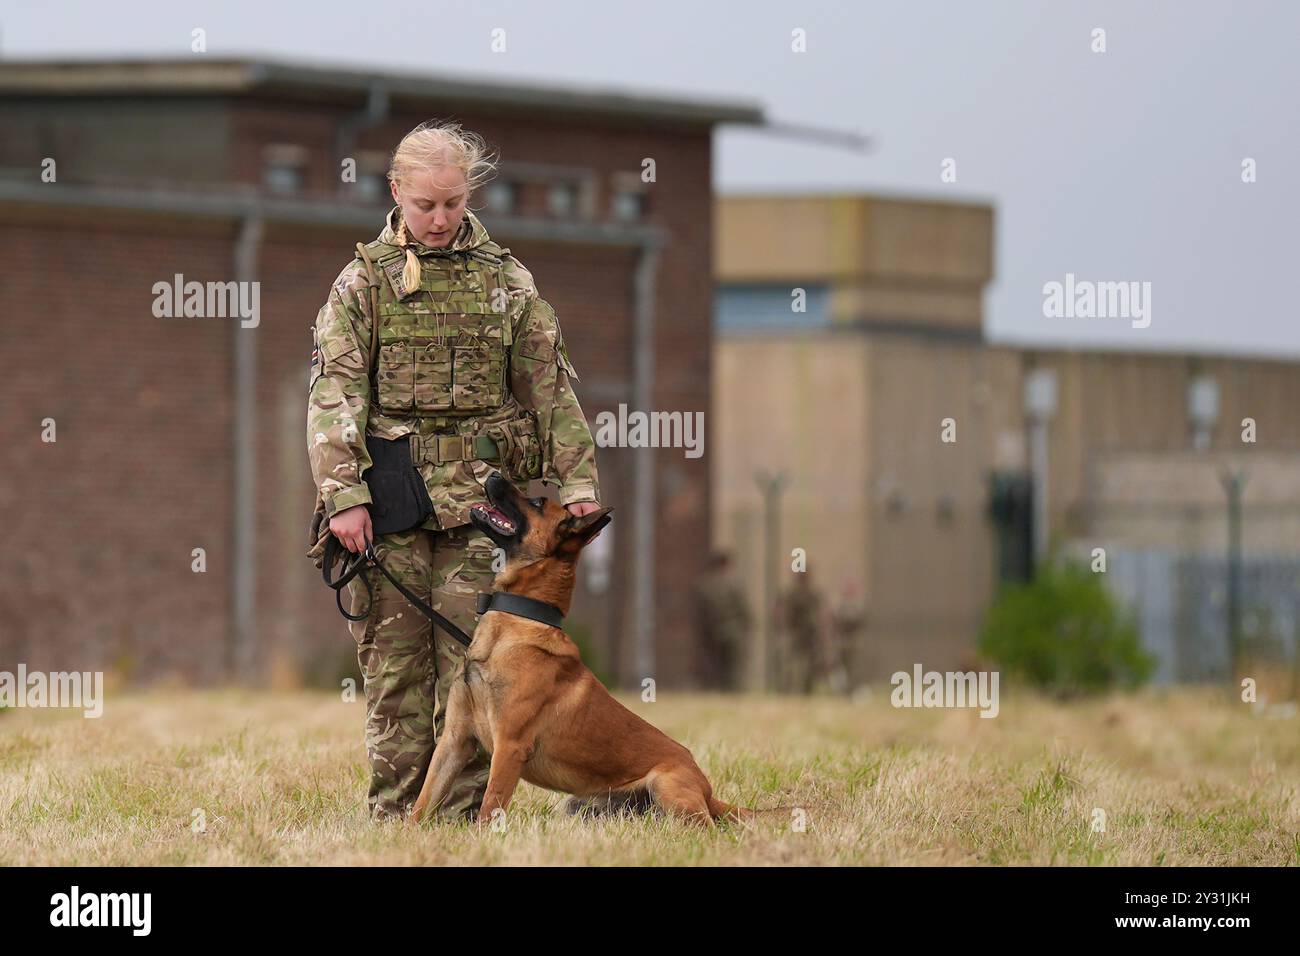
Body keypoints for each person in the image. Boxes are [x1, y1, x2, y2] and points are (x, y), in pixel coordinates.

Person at [306, 121, 603, 822]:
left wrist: (579, 483)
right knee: (395, 677)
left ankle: (460, 829)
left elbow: (548, 388)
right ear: (397, 193)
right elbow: (333, 394)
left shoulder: (506, 282)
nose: (440, 220)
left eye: (453, 203)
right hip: (390, 510)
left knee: (474, 677)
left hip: (482, 512)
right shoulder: (361, 284)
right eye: (425, 205)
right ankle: (394, 821)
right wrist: (343, 495)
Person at [692, 551, 752, 690]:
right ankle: (733, 693)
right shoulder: (735, 584)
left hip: (713, 632)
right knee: (734, 668)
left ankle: (718, 691)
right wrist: (747, 627)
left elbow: (700, 615)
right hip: (733, 630)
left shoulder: (704, 585)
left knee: (717, 666)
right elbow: (743, 610)